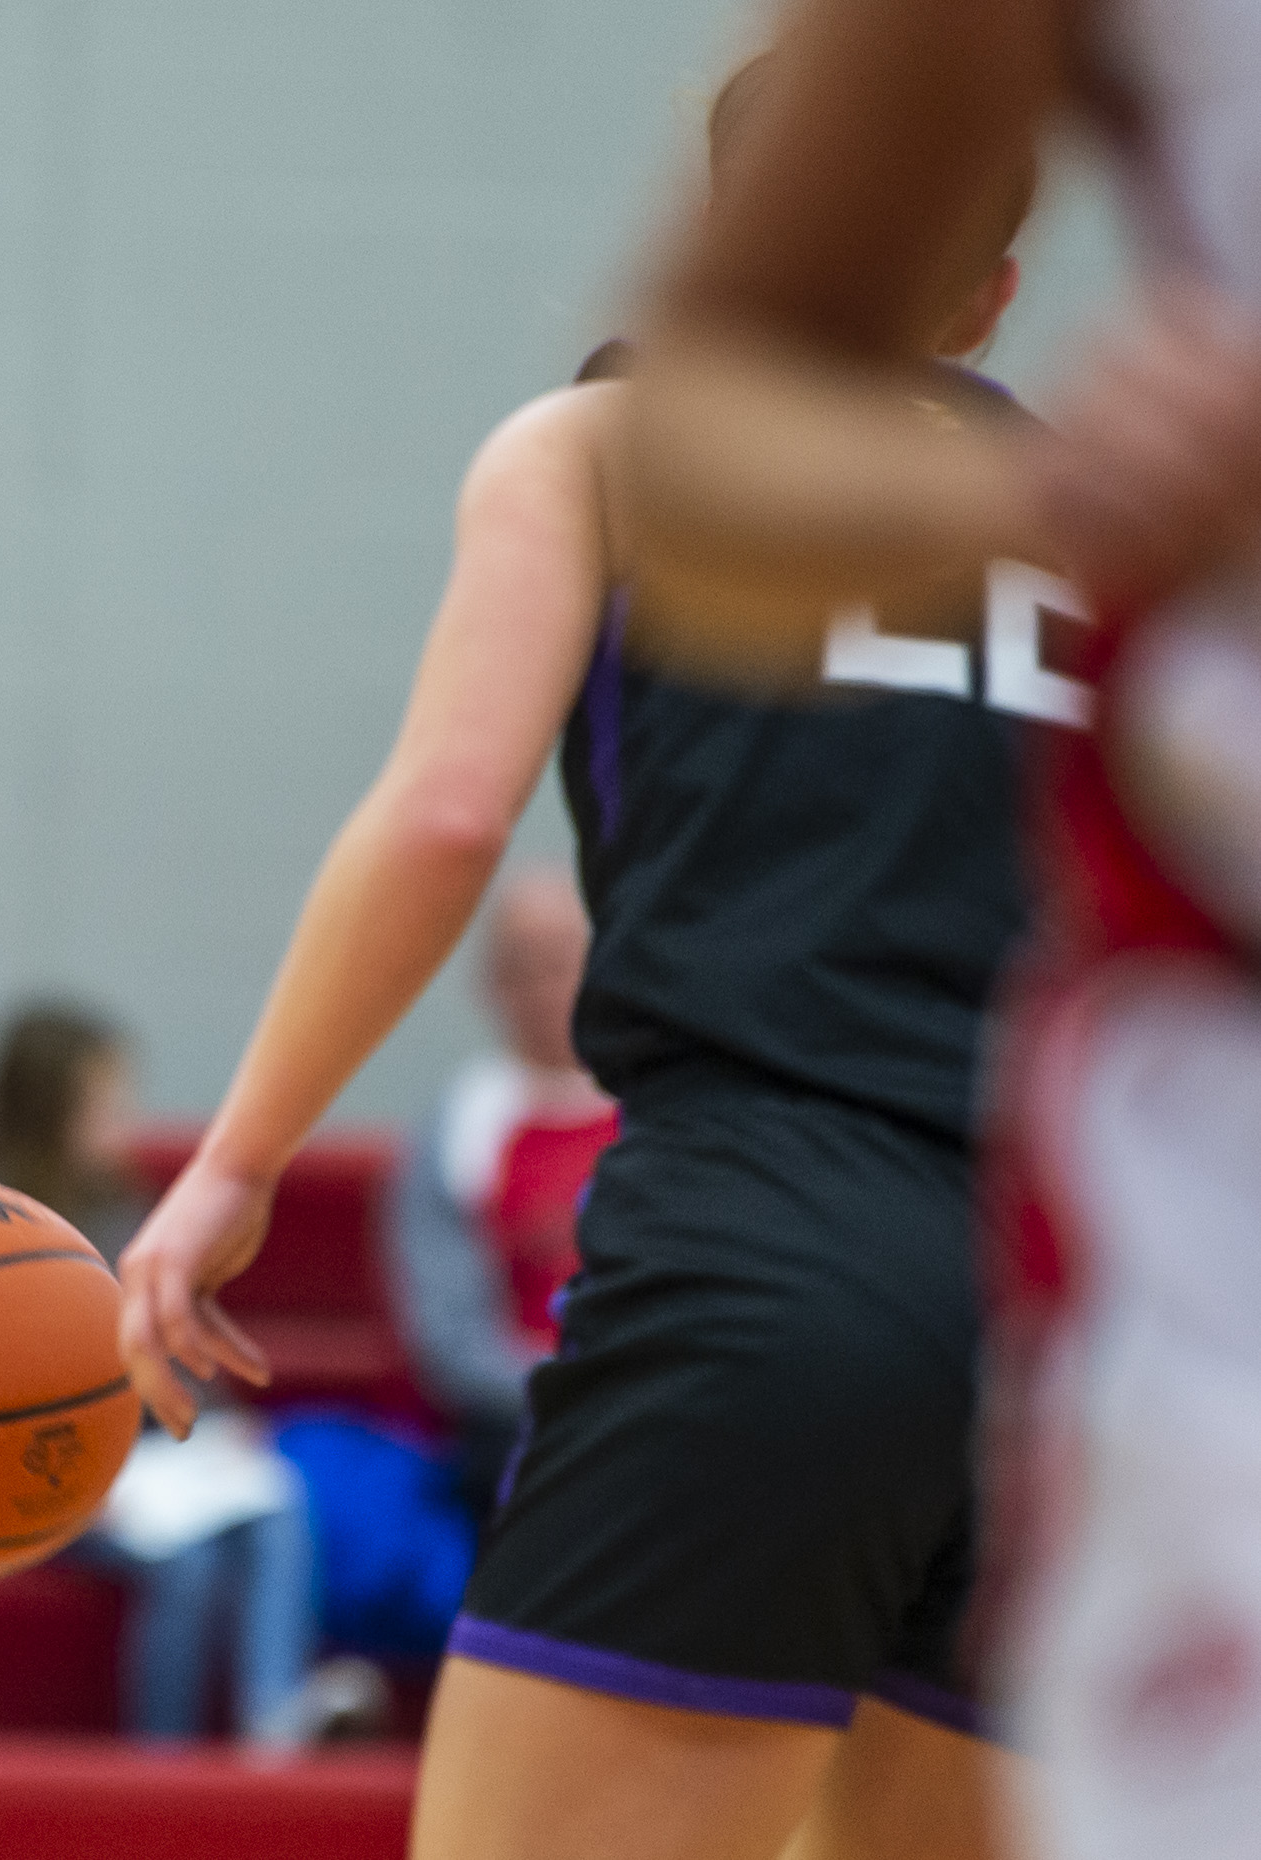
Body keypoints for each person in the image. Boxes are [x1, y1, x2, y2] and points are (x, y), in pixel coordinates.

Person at [115, 56, 1062, 1860]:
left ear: (726, 238)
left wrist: (233, 1164)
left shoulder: (603, 447)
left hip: (764, 1248)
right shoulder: (1095, 516)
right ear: (990, 297)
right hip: (1057, 1325)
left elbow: (445, 816)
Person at [621, 6, 1261, 1857]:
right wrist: (1063, 497)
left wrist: (231, 1163)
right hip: (1122, 1149)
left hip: (768, 1209)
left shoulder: (540, 468)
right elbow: (716, 414)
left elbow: (428, 823)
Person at [0, 1003, 378, 1748]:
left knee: (278, 1507)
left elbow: (176, 1335)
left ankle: (274, 1714)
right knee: (187, 1564)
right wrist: (78, 1488)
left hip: (158, 1459)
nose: (124, 1124)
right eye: (107, 1107)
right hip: (66, 1473)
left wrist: (224, 1425)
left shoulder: (125, 1207)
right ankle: (161, 1757)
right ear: (48, 1112)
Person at [381, 868, 616, 1527]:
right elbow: (450, 1342)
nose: (547, 990)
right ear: (491, 985)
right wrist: (578, 1391)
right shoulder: (458, 1130)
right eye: (524, 967)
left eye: (563, 963)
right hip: (516, 1423)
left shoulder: (662, 1117)